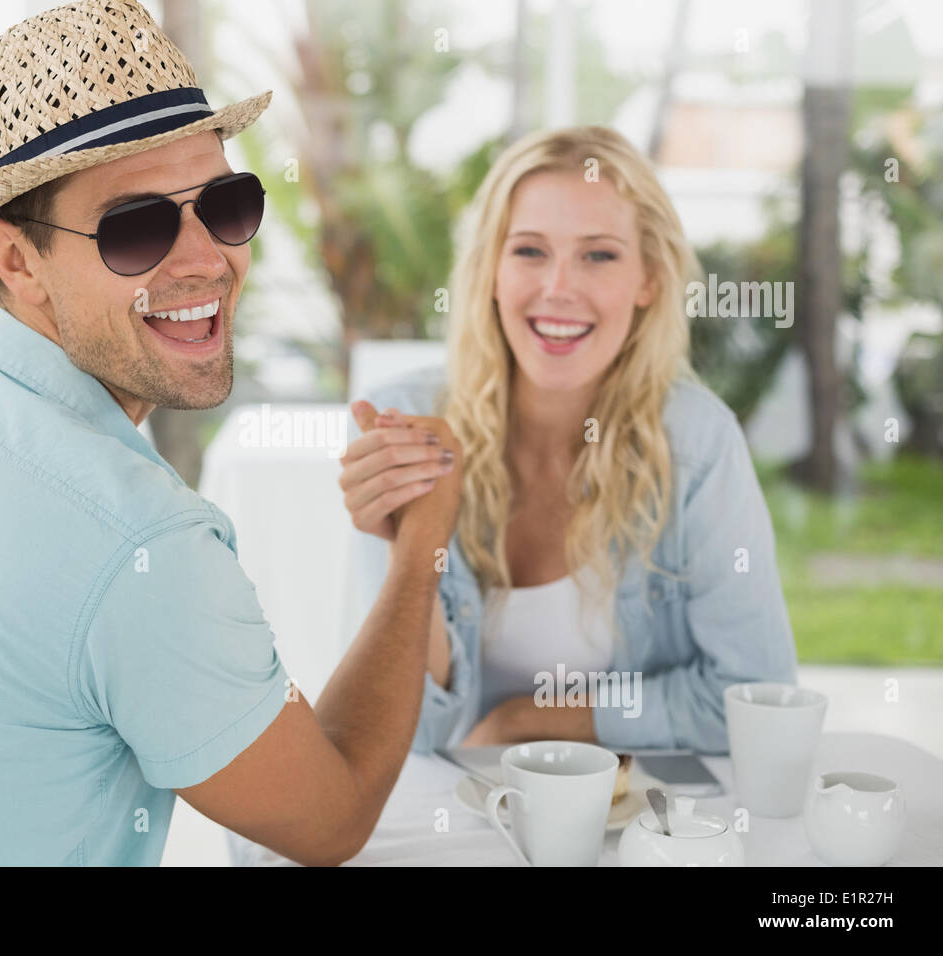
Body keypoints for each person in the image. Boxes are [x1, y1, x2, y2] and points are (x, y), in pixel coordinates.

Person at [0, 0, 462, 866]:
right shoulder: (144, 547)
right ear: (15, 260)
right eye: (136, 227)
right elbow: (329, 821)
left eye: (225, 202)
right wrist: (419, 557)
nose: (203, 259)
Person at [338, 125, 797, 756]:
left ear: (649, 280)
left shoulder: (697, 444)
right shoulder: (406, 423)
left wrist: (533, 719)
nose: (559, 288)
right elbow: (413, 734)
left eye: (599, 255)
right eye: (529, 251)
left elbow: (753, 697)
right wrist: (410, 553)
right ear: (491, 272)